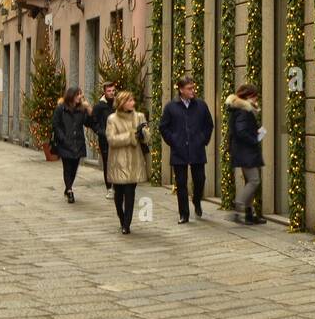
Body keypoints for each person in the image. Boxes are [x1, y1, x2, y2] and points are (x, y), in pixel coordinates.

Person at [158, 76, 214, 224]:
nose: (192, 91)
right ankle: (184, 214)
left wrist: (203, 139)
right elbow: (163, 127)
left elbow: (209, 125)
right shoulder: (171, 107)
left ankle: (196, 200)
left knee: (200, 179)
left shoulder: (201, 105)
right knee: (181, 183)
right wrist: (173, 140)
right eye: (189, 88)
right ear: (181, 90)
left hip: (197, 149)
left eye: (193, 88)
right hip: (179, 150)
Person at [104, 90, 147, 234]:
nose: (133, 103)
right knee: (118, 195)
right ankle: (121, 218)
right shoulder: (112, 119)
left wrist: (143, 134)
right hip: (118, 162)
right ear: (122, 103)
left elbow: (147, 137)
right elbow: (111, 139)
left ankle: (126, 224)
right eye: (129, 101)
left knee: (130, 193)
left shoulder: (139, 116)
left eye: (133, 100)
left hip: (134, 161)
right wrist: (130, 136)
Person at [226, 84, 267, 225]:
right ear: (248, 96)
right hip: (246, 152)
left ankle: (250, 214)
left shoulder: (242, 109)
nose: (257, 99)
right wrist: (255, 139)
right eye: (255, 96)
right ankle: (238, 207)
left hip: (245, 152)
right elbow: (241, 131)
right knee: (254, 181)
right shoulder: (244, 111)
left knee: (251, 181)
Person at [52, 87, 90, 203]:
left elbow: (88, 123)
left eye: (80, 94)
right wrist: (62, 138)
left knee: (74, 168)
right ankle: (69, 191)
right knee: (67, 168)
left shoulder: (81, 110)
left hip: (78, 143)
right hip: (65, 143)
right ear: (71, 96)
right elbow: (56, 125)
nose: (80, 96)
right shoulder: (61, 109)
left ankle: (68, 186)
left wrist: (88, 109)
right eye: (78, 94)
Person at [92, 82, 117, 196]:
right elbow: (94, 123)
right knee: (108, 163)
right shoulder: (99, 106)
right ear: (104, 92)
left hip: (118, 138)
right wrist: (102, 132)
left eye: (113, 90)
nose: (112, 93)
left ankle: (117, 186)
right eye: (109, 91)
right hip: (105, 140)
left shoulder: (117, 104)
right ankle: (109, 188)